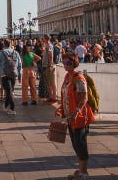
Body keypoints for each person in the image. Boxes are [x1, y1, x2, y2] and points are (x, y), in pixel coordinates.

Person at [57, 52, 95, 180]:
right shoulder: (68, 77)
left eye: (67, 62)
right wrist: (62, 109)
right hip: (70, 116)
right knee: (75, 144)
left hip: (79, 116)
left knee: (80, 143)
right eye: (63, 62)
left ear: (73, 63)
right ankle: (81, 170)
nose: (64, 64)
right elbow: (66, 96)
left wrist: (76, 112)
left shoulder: (78, 78)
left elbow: (84, 97)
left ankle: (84, 173)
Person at [0, 38, 21, 114]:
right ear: (11, 44)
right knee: (10, 91)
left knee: (9, 92)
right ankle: (5, 106)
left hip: (4, 75)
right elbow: (19, 65)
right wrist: (19, 76)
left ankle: (12, 109)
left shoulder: (1, 53)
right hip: (13, 75)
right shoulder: (16, 53)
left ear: (4, 44)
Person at [42, 35, 58, 103]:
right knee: (49, 83)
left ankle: (53, 97)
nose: (42, 39)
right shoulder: (47, 45)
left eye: (43, 38)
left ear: (46, 39)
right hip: (47, 66)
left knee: (52, 83)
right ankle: (51, 97)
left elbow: (50, 54)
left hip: (49, 66)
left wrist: (50, 64)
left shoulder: (49, 45)